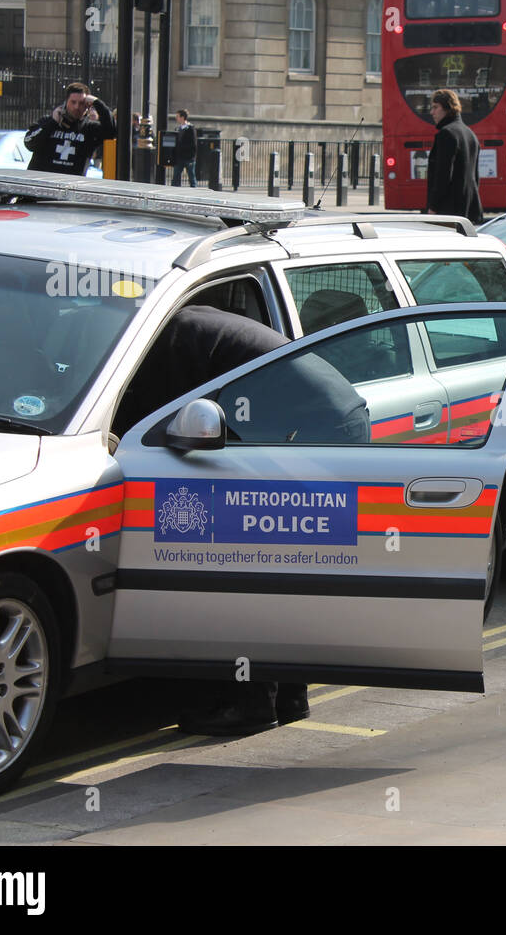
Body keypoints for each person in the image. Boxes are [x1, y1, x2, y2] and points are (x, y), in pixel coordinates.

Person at [115, 304, 370, 737]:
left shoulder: (160, 346)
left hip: (309, 431)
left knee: (247, 565)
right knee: (288, 568)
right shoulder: (187, 327)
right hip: (339, 420)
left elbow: (152, 429)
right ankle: (291, 695)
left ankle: (251, 703)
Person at [24, 82, 117, 176]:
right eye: (73, 102)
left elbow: (111, 131)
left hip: (71, 185)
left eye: (81, 103)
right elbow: (29, 143)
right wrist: (52, 123)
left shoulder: (90, 128)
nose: (76, 107)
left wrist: (97, 103)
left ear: (87, 106)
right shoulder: (47, 122)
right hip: (42, 183)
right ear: (66, 102)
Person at [426, 89, 483, 222]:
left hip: (448, 210)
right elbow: (475, 176)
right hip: (469, 208)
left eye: (435, 107)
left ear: (448, 108)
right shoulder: (470, 134)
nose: (432, 112)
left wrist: (433, 207)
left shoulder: (447, 134)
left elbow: (443, 175)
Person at [172, 109, 198, 187]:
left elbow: (194, 144)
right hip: (179, 157)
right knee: (176, 177)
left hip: (188, 157)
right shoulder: (178, 129)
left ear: (182, 117)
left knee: (191, 177)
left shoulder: (190, 128)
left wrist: (192, 157)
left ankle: (195, 192)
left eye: (177, 116)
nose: (176, 118)